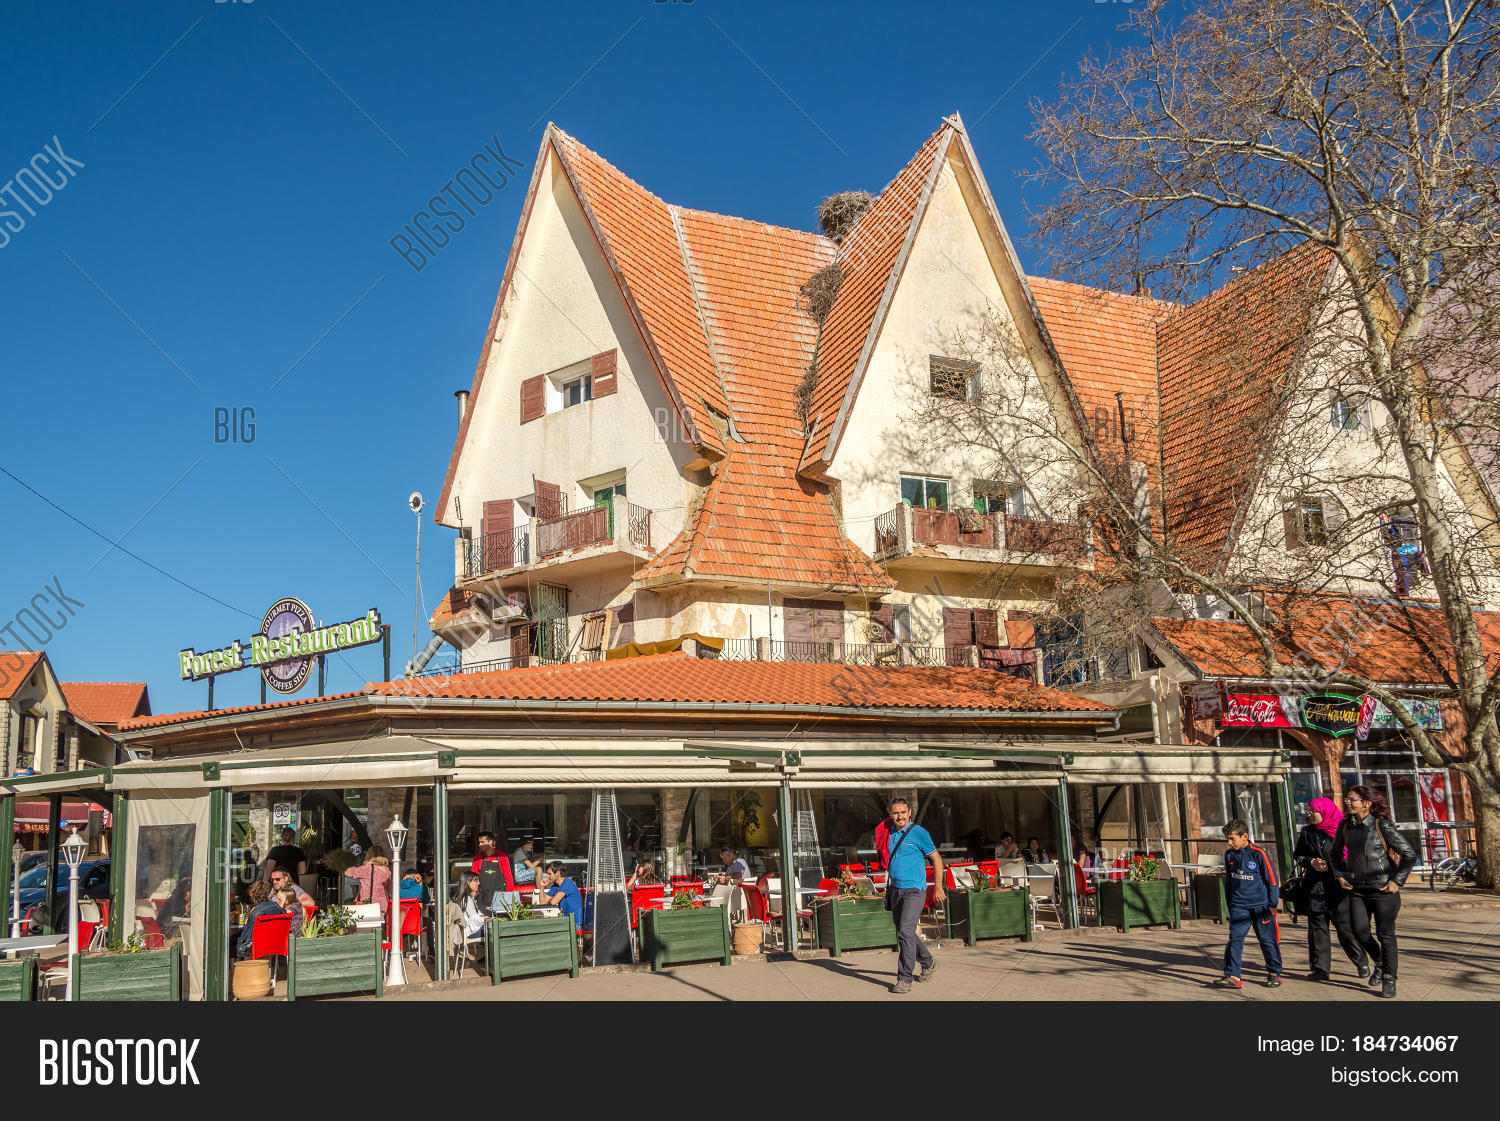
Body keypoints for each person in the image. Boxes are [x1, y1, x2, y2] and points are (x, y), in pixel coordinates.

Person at [1330, 783, 1416, 999]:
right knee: (1360, 932)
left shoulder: (1382, 826)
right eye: (1348, 799)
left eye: (1352, 799)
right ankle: (1379, 962)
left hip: (1384, 889)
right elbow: (1334, 854)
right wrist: (1339, 875)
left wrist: (1398, 881)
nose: (1348, 802)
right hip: (1358, 888)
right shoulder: (1345, 826)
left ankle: (1389, 978)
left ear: (1366, 803)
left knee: (1386, 934)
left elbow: (1409, 854)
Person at [1293, 796, 1362, 981]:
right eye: (1307, 812)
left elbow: (1353, 858)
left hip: (1339, 888)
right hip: (1316, 888)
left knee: (1344, 928)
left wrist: (1329, 866)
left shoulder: (1344, 830)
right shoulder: (1308, 832)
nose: (1310, 815)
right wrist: (1310, 861)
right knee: (1317, 928)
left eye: (1312, 812)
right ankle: (1320, 969)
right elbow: (1297, 855)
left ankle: (1360, 960)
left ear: (1324, 811)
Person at [883, 796, 944, 993]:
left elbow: (937, 860)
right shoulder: (889, 832)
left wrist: (938, 887)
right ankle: (928, 962)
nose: (899, 816)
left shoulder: (919, 833)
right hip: (895, 889)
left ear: (909, 812)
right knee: (905, 931)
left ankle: (904, 978)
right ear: (891, 815)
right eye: (895, 813)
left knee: (905, 932)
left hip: (915, 890)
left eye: (903, 812)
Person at [1213, 819, 1282, 989]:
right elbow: (1229, 882)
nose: (1229, 843)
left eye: (1232, 839)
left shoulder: (1258, 854)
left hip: (1261, 907)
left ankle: (1274, 972)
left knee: (1267, 940)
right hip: (1238, 907)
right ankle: (1233, 975)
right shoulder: (1229, 855)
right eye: (1227, 839)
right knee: (1235, 940)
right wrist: (1230, 904)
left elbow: (1272, 880)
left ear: (1244, 836)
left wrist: (1273, 904)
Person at [235, 881, 280, 959]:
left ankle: (235, 968)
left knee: (233, 939)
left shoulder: (256, 913)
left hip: (258, 947)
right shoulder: (277, 907)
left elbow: (246, 935)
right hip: (276, 944)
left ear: (254, 895)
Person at [538, 861, 584, 933]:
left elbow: (553, 902)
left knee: (546, 929)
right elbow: (542, 902)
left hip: (574, 924)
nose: (548, 876)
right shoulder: (555, 886)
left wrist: (551, 900)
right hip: (564, 921)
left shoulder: (568, 883)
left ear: (558, 873)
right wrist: (541, 887)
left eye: (549, 874)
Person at [471, 831, 515, 896]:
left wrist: (510, 895)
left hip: (500, 896)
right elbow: (473, 879)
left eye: (482, 842)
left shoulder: (502, 856)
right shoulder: (477, 858)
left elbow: (508, 877)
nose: (480, 845)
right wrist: (473, 894)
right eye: (479, 842)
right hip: (482, 896)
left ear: (490, 842)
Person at [454, 872, 485, 941]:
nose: (478, 883)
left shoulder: (463, 897)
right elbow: (474, 918)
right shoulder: (466, 899)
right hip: (470, 933)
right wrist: (487, 920)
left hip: (465, 931)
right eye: (476, 880)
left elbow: (476, 915)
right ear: (468, 882)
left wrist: (482, 917)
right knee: (495, 928)